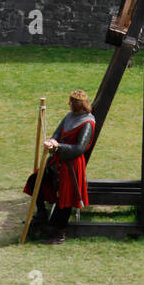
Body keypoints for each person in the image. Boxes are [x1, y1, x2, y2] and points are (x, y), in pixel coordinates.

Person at [34, 89, 96, 244]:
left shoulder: (88, 123)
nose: (68, 103)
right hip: (58, 160)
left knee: (66, 198)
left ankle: (59, 234)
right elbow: (57, 134)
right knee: (36, 179)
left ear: (77, 104)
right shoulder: (69, 116)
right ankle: (42, 214)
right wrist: (52, 141)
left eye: (71, 102)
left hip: (72, 165)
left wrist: (58, 146)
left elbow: (79, 148)